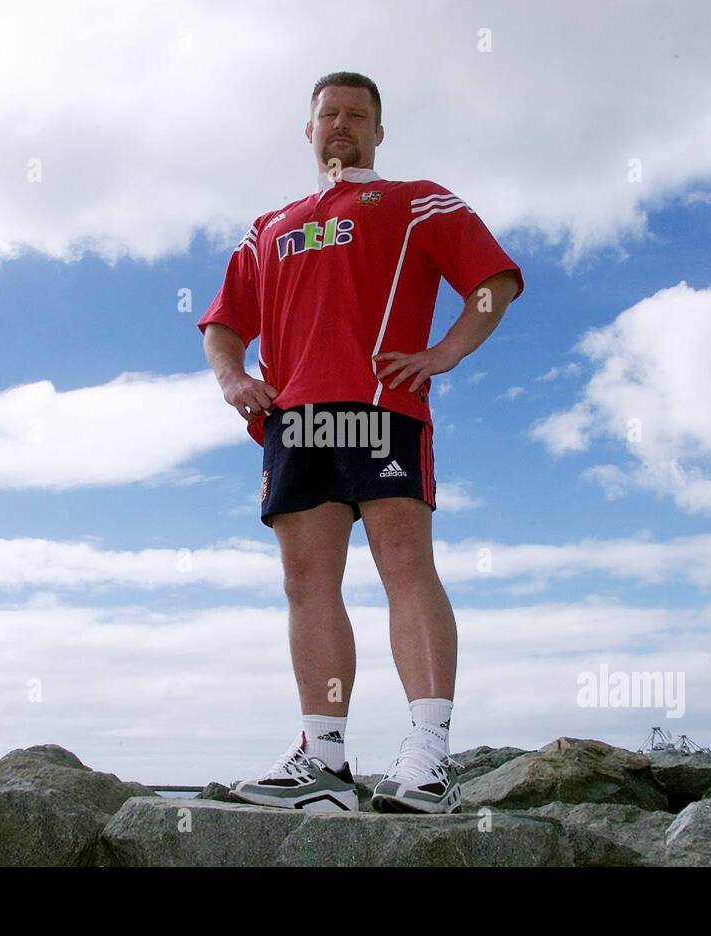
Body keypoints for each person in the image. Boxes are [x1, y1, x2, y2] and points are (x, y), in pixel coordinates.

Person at [197, 71, 524, 813]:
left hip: (382, 407)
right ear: (308, 131)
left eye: (356, 115)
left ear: (378, 132)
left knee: (405, 568)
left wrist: (446, 352)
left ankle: (428, 758)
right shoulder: (270, 226)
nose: (340, 125)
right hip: (295, 420)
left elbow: (491, 281)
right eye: (328, 115)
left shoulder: (415, 201)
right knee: (307, 585)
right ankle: (325, 761)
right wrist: (232, 378)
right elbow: (223, 322)